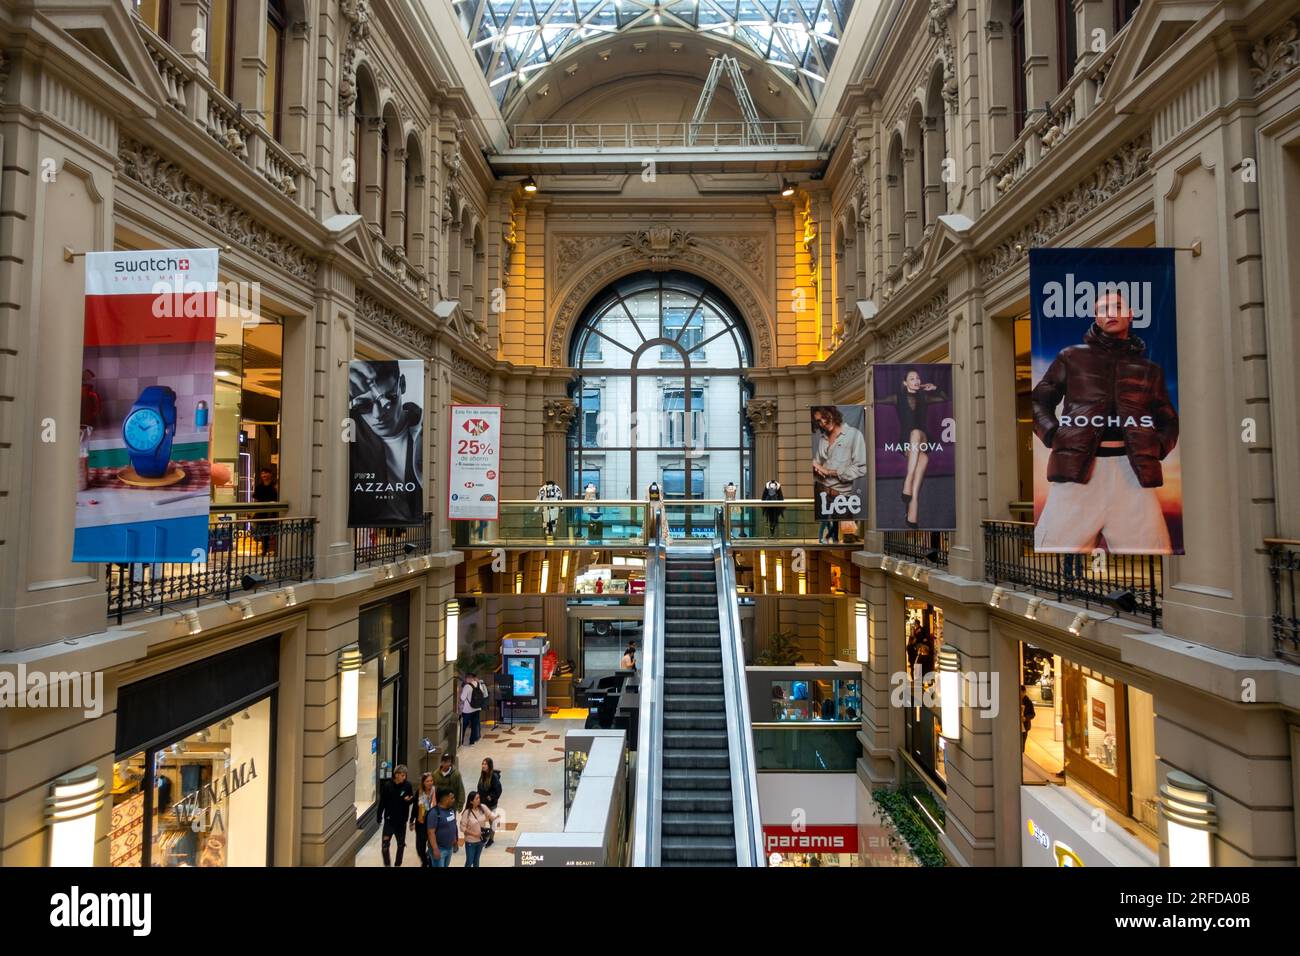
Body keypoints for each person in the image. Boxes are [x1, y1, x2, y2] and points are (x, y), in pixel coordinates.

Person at [1031, 290, 1179, 554]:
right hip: (1076, 471)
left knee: (1154, 555)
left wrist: (1155, 447)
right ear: (1096, 318)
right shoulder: (1071, 357)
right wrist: (1054, 435)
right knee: (1052, 556)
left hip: (1133, 473)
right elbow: (1039, 401)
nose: (1110, 313)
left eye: (1117, 306)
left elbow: (1168, 419)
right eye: (1103, 309)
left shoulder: (1149, 370)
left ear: (1131, 314)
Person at [348, 360, 424, 526]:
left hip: (411, 532)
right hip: (367, 533)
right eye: (364, 405)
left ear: (402, 384)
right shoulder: (349, 431)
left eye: (389, 398)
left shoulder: (425, 431)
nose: (377, 414)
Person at [875, 368, 948, 529]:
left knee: (915, 432)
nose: (916, 381)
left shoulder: (925, 397)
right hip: (905, 442)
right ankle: (913, 506)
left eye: (917, 378)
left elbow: (944, 397)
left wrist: (934, 388)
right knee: (924, 459)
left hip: (923, 437)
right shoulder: (897, 398)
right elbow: (876, 401)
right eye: (912, 378)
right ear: (905, 382)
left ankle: (907, 480)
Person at [811, 406, 867, 542]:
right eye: (818, 421)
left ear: (833, 414)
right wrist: (815, 467)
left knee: (847, 537)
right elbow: (818, 463)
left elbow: (861, 468)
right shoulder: (823, 438)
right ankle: (827, 538)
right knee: (825, 524)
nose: (822, 423)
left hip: (841, 496)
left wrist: (830, 472)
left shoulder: (854, 435)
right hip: (820, 491)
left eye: (825, 417)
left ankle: (834, 537)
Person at [375, 764, 415, 867]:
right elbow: (382, 803)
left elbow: (411, 799)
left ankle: (398, 864)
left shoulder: (408, 785)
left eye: (405, 775)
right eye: (402, 775)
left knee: (401, 845)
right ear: (396, 774)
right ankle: (387, 864)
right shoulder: (387, 786)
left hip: (401, 822)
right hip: (389, 822)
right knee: (385, 846)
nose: (404, 777)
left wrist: (409, 800)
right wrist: (379, 816)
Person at [460, 790, 499, 867]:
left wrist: (496, 817)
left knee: (476, 860)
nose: (479, 800)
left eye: (479, 798)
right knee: (469, 861)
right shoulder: (467, 813)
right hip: (470, 842)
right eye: (476, 799)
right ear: (471, 801)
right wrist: (474, 834)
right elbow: (462, 828)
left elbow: (491, 815)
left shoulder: (483, 807)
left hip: (480, 840)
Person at [425, 787, 461, 867]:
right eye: (451, 798)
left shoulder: (451, 810)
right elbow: (431, 833)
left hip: (449, 847)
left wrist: (455, 840)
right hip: (439, 849)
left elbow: (453, 825)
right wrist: (435, 849)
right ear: (445, 799)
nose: (454, 800)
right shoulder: (434, 813)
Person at [252, 466, 279, 554]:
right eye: (262, 473)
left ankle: (274, 548)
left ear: (270, 474)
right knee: (263, 530)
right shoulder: (259, 487)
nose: (264, 475)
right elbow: (256, 499)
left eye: (266, 473)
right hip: (262, 512)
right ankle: (264, 549)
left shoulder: (275, 486)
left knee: (273, 530)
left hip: (273, 512)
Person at [478, 758, 503, 847]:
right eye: (482, 763)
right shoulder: (482, 775)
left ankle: (491, 839)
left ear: (489, 766)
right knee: (481, 820)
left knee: (492, 821)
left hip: (491, 804)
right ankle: (484, 835)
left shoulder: (494, 777)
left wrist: (490, 797)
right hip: (482, 803)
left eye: (485, 764)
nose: (483, 766)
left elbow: (498, 790)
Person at [412, 771, 435, 867]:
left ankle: (429, 861)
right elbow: (415, 807)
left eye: (431, 781)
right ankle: (424, 860)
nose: (430, 783)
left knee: (432, 846)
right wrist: (411, 820)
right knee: (419, 848)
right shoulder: (419, 792)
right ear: (423, 782)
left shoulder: (436, 792)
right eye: (427, 781)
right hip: (421, 823)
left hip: (432, 824)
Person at [460, 672, 488, 746]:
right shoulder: (478, 684)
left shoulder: (467, 686)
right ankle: (472, 741)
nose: (465, 680)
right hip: (477, 708)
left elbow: (462, 698)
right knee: (474, 725)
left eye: (466, 678)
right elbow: (483, 694)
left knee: (464, 726)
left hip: (467, 710)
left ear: (468, 678)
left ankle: (461, 741)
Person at [1020, 685, 1037, 754]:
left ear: (1024, 692)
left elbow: (1033, 714)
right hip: (1016, 726)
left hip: (1024, 726)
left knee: (1022, 744)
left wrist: (1026, 718)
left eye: (1020, 692)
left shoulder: (1028, 702)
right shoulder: (1015, 700)